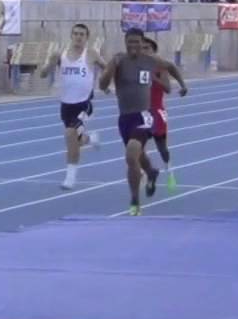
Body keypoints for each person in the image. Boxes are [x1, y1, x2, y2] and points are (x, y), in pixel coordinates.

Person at [99, 29, 187, 216]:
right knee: (138, 157)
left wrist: (183, 84)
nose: (133, 46)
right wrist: (111, 68)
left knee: (131, 155)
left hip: (145, 116)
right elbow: (102, 85)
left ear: (142, 43)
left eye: (137, 42)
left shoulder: (150, 61)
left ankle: (134, 201)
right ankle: (151, 171)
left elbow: (170, 66)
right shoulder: (119, 60)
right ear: (125, 42)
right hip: (125, 118)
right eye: (130, 42)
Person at [37, 23, 105, 190]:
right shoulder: (61, 54)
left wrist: (107, 84)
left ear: (87, 37)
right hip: (66, 105)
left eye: (82, 34)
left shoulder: (91, 54)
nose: (78, 37)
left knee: (70, 134)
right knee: (75, 138)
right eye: (75, 34)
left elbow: (108, 68)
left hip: (84, 104)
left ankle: (70, 177)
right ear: (71, 36)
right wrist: (50, 63)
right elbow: (43, 74)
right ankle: (90, 138)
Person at [143, 38, 188, 191]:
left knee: (161, 147)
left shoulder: (160, 66)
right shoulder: (135, 65)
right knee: (137, 148)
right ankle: (149, 174)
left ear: (154, 50)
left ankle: (170, 172)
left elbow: (168, 87)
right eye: (141, 48)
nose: (144, 51)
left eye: (147, 48)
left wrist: (182, 85)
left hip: (157, 112)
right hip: (140, 112)